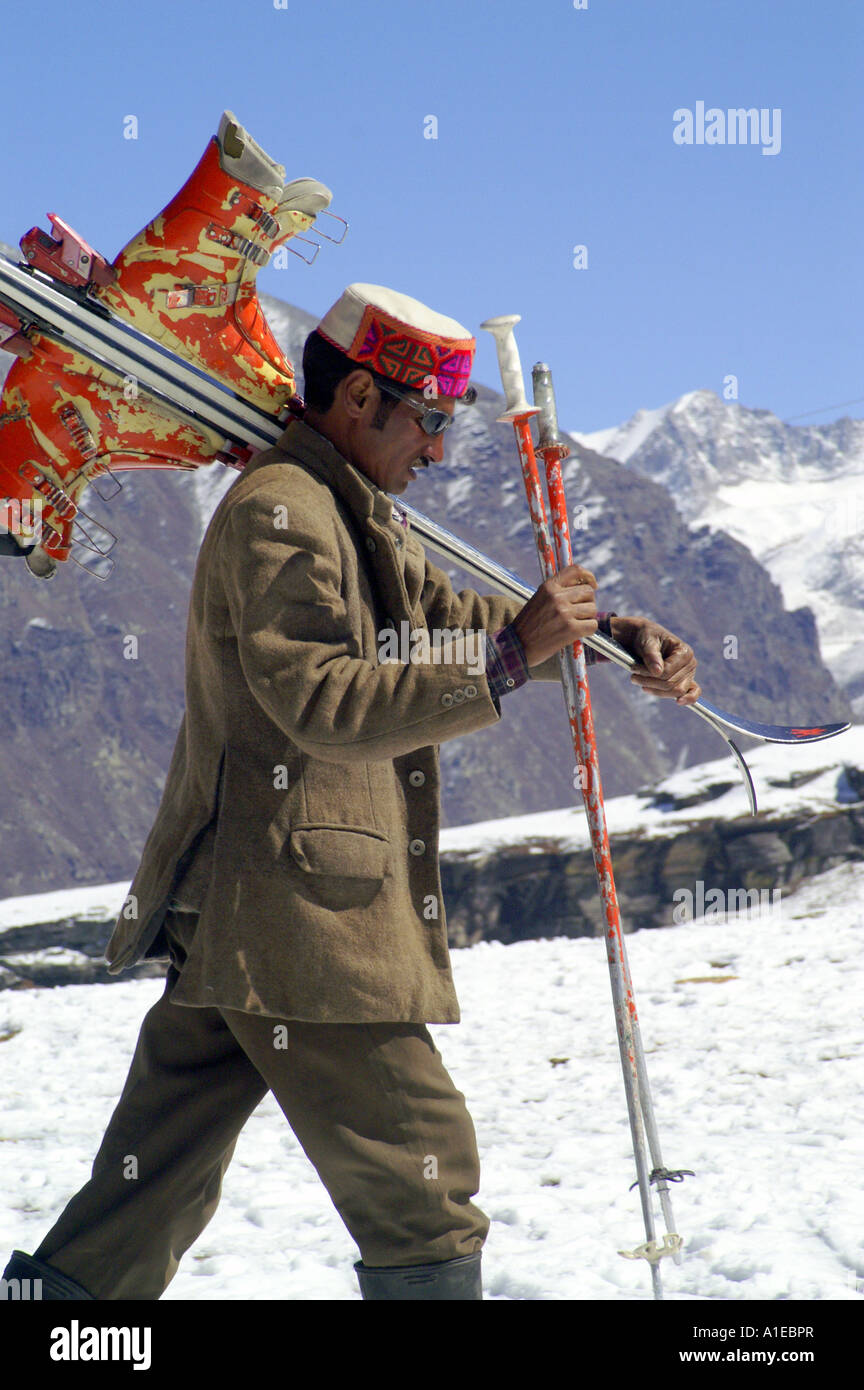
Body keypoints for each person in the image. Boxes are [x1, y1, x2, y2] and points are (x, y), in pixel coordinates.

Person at [2, 284, 700, 1302]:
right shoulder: (283, 513)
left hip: (246, 914)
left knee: (144, 1195)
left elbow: (445, 624)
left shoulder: (346, 511)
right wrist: (511, 656)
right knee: (425, 1183)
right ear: (363, 396)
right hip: (295, 916)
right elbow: (320, 698)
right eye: (431, 422)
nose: (441, 452)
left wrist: (603, 639)